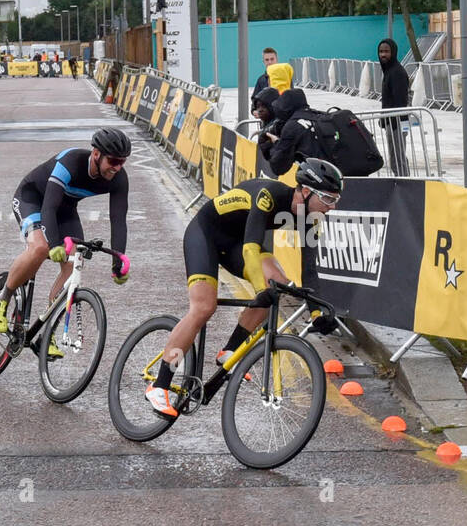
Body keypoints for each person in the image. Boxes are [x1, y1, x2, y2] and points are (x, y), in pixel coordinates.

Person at [144, 158, 343, 417]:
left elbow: (309, 269)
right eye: (328, 199)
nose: (332, 206)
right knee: (204, 307)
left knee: (279, 284)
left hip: (235, 243)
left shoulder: (311, 217)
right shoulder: (269, 196)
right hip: (207, 235)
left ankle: (230, 350)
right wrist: (261, 290)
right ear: (305, 192)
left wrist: (317, 313)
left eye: (336, 199)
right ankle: (159, 385)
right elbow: (251, 247)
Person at [0, 128, 132, 355]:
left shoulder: (119, 178)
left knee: (75, 261)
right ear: (96, 154)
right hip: (34, 199)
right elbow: (48, 208)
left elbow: (118, 220)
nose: (117, 167)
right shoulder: (71, 162)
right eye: (113, 161)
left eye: (122, 162)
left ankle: (47, 331)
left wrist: (118, 262)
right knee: (40, 248)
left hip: (66, 210)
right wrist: (54, 244)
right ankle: (1, 301)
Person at [377, 38, 410, 175]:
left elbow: (400, 101)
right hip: (391, 121)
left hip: (397, 122)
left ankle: (404, 183)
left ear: (393, 52)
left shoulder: (397, 73)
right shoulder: (389, 71)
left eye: (386, 51)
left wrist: (394, 122)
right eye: (380, 51)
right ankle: (400, 180)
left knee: (398, 157)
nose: (383, 55)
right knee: (395, 157)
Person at [250, 47, 279, 115]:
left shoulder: (285, 78)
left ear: (277, 60)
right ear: (263, 62)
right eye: (267, 60)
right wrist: (254, 111)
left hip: (283, 120)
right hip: (266, 121)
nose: (270, 62)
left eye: (272, 59)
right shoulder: (261, 80)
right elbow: (255, 99)